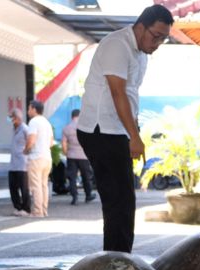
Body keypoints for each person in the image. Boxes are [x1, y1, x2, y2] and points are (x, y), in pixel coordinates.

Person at [77, 4, 173, 253]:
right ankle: (115, 264)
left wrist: (133, 132)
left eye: (164, 38)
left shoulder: (141, 53)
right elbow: (117, 93)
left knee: (124, 201)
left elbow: (130, 96)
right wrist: (135, 137)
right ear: (141, 27)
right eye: (156, 36)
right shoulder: (116, 45)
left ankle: (119, 259)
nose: (158, 43)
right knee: (118, 202)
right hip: (100, 130)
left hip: (117, 130)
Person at [62, 108, 96, 205]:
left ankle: (74, 197)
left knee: (72, 177)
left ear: (72, 116)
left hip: (71, 156)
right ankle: (88, 195)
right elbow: (90, 142)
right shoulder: (85, 127)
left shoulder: (67, 128)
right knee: (86, 176)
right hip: (84, 156)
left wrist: (66, 153)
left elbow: (64, 144)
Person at [26, 99, 53, 217]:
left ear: (34, 109)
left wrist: (26, 149)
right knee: (43, 185)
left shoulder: (33, 122)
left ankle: (37, 211)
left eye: (29, 108)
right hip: (47, 157)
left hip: (36, 157)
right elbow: (51, 142)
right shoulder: (47, 122)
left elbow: (31, 140)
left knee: (35, 185)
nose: (28, 111)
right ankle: (44, 210)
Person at [7, 109, 32, 216]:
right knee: (12, 187)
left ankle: (26, 209)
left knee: (24, 188)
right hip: (13, 164)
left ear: (16, 118)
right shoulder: (14, 129)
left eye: (11, 117)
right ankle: (18, 207)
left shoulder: (25, 129)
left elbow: (31, 142)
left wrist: (27, 151)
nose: (9, 119)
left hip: (22, 164)